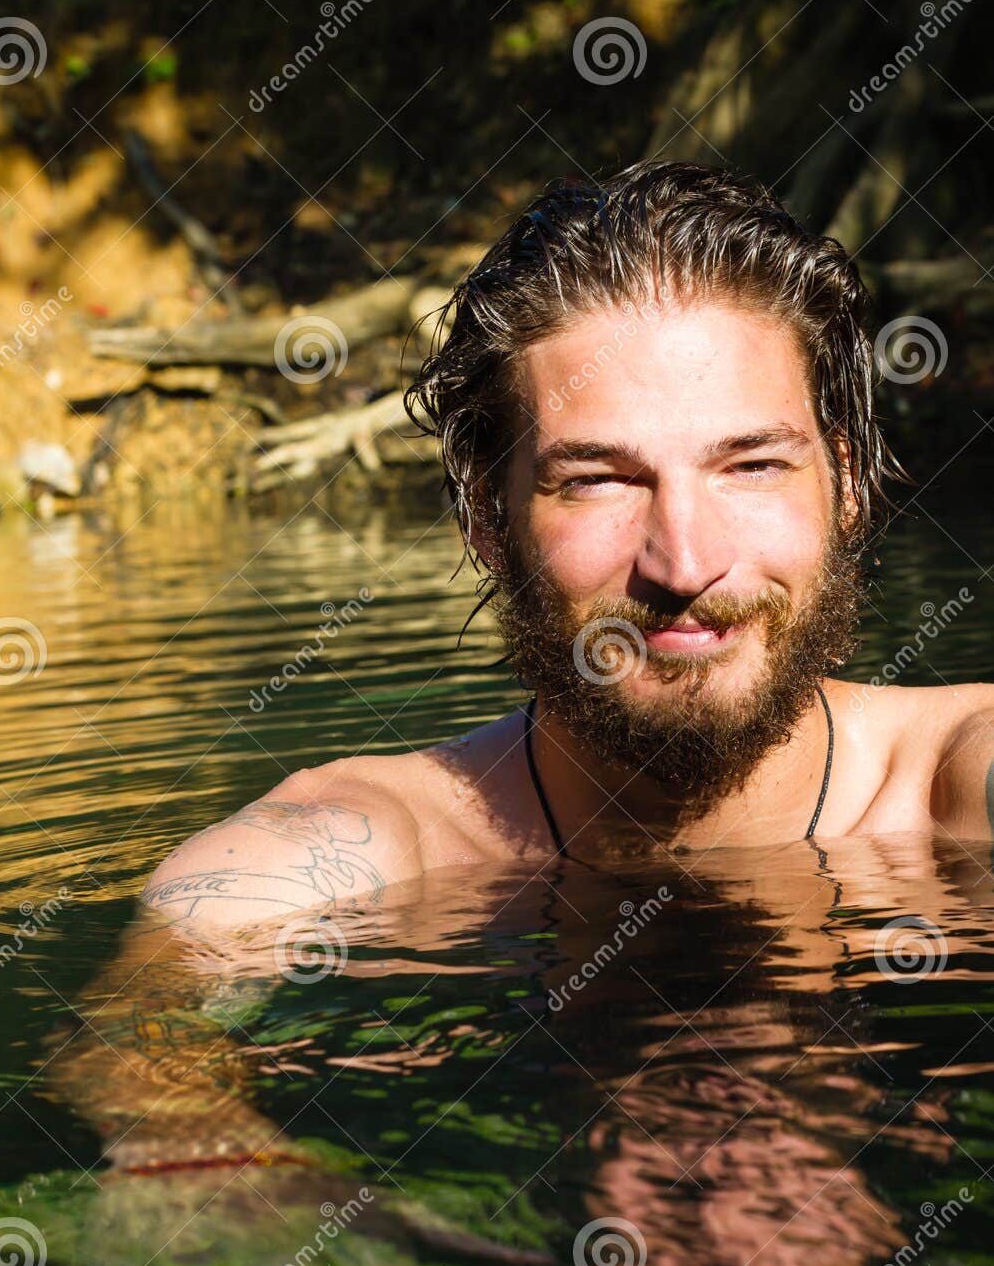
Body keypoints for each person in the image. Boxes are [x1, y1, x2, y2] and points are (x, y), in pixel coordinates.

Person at [144, 160, 994, 933]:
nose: (685, 563)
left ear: (844, 486)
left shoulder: (956, 783)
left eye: (752, 464)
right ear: (486, 518)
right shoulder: (358, 851)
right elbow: (142, 1062)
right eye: (597, 480)